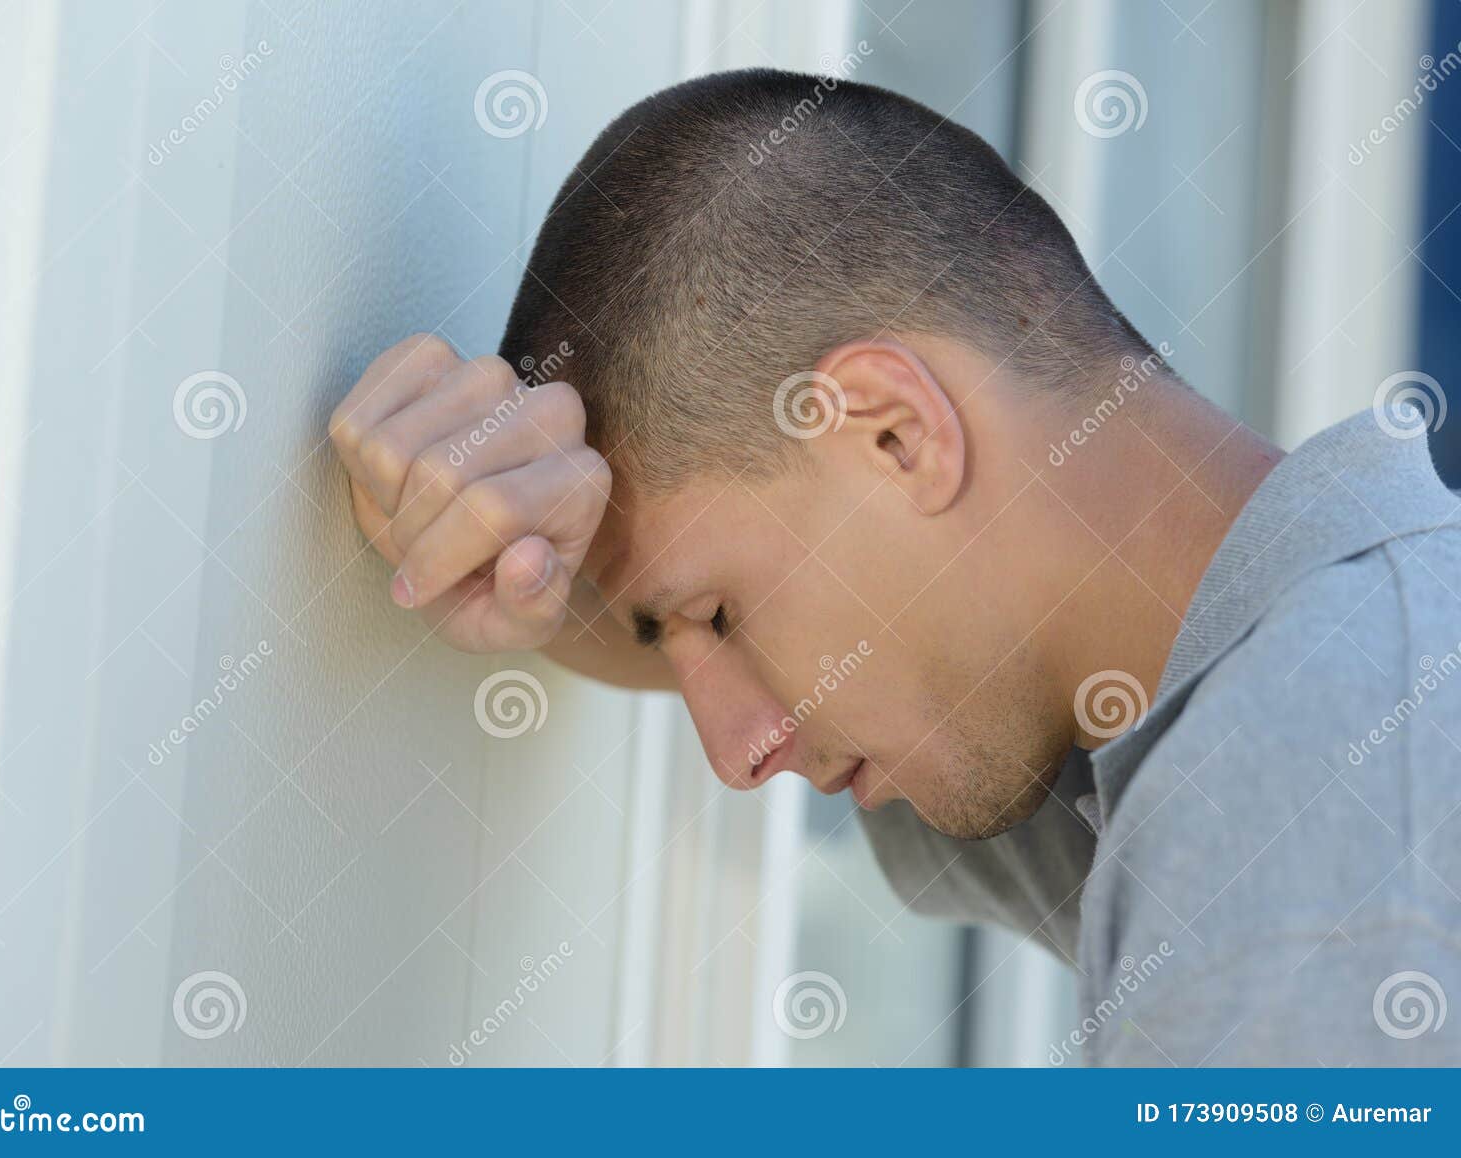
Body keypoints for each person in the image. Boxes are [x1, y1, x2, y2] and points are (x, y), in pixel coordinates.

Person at [328, 70, 1461, 1064]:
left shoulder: (1312, 824)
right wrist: (487, 534)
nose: (735, 753)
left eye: (719, 615)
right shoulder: (1279, 708)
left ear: (891, 432)